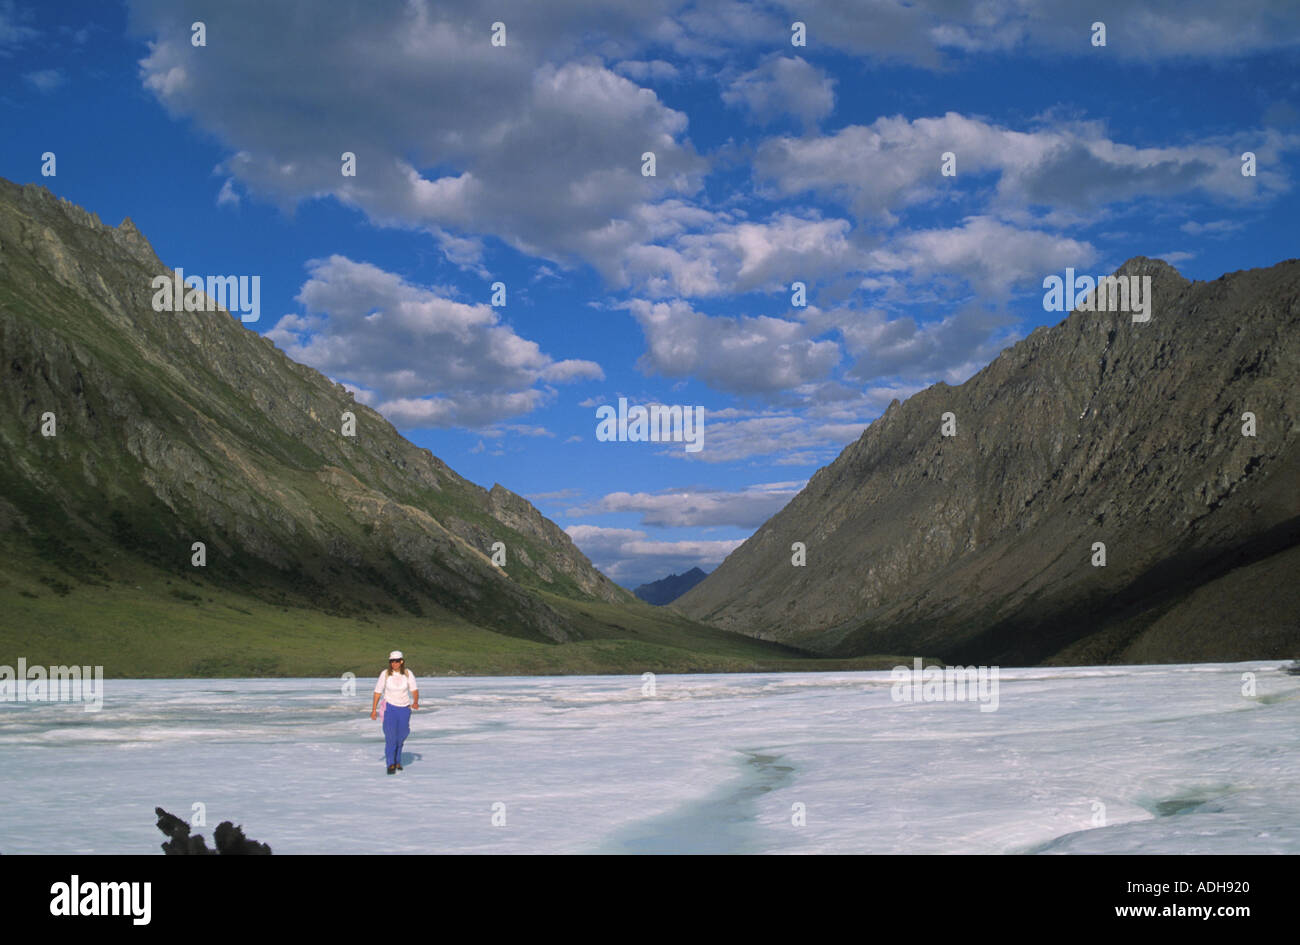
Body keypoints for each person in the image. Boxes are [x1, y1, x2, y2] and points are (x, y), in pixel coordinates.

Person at [370, 651, 419, 774]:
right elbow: (377, 692)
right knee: (390, 737)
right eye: (392, 661)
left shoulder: (408, 674)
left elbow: (414, 690)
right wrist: (373, 710)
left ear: (401, 661)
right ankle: (391, 764)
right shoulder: (385, 674)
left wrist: (415, 701)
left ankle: (398, 760)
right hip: (390, 708)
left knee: (402, 735)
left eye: (396, 661)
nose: (394, 663)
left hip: (404, 709)